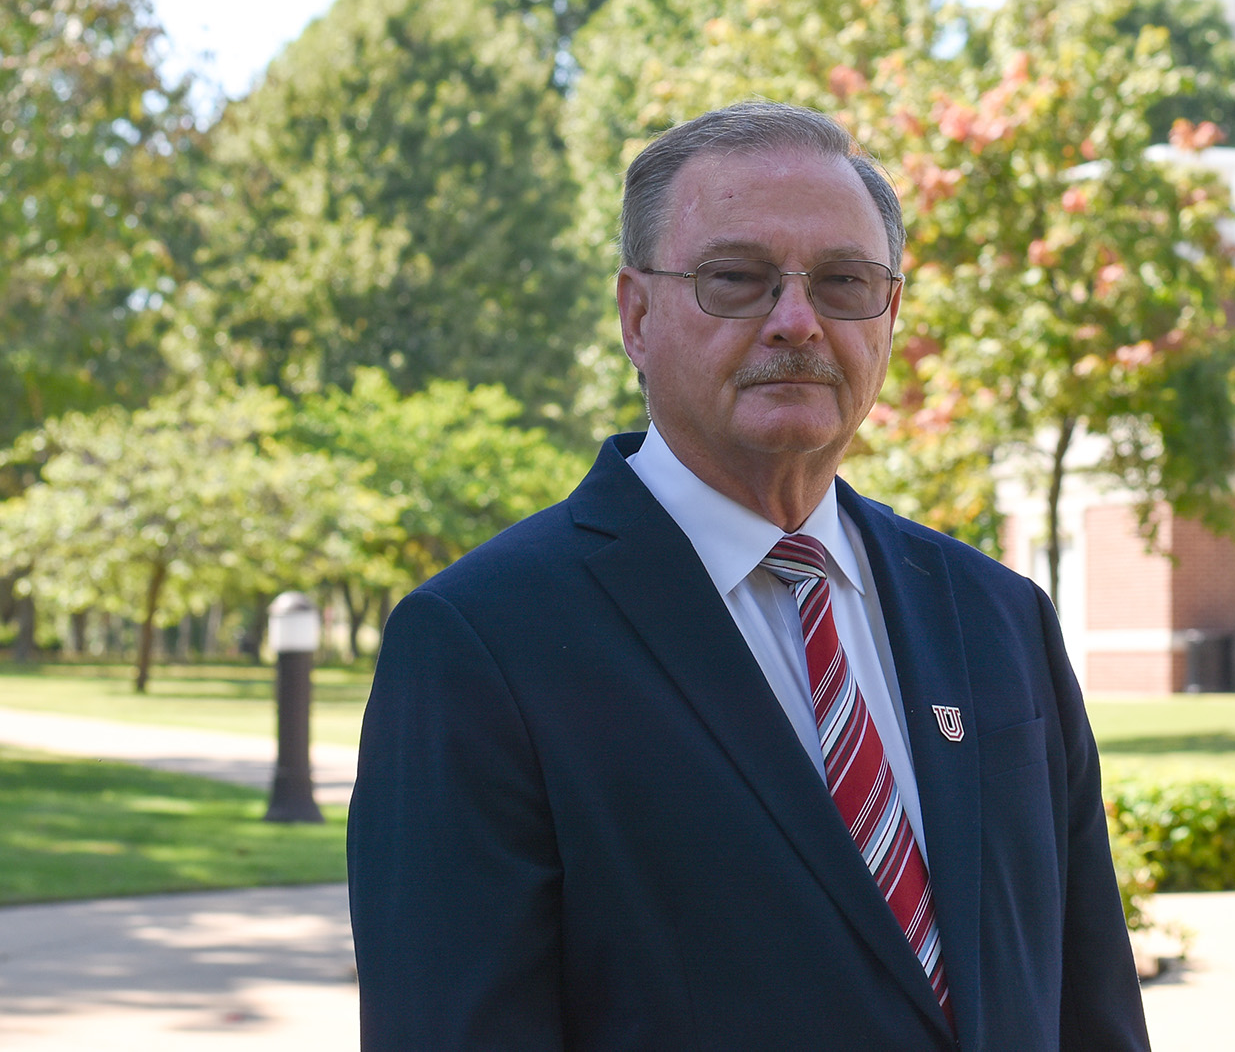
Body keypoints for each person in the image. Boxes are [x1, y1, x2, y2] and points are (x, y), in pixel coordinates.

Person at [347, 101, 1150, 1051]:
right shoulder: (481, 644)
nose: (798, 321)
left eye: (845, 281)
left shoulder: (1000, 615)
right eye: (738, 279)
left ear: (889, 312)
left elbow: (1090, 1003)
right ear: (635, 314)